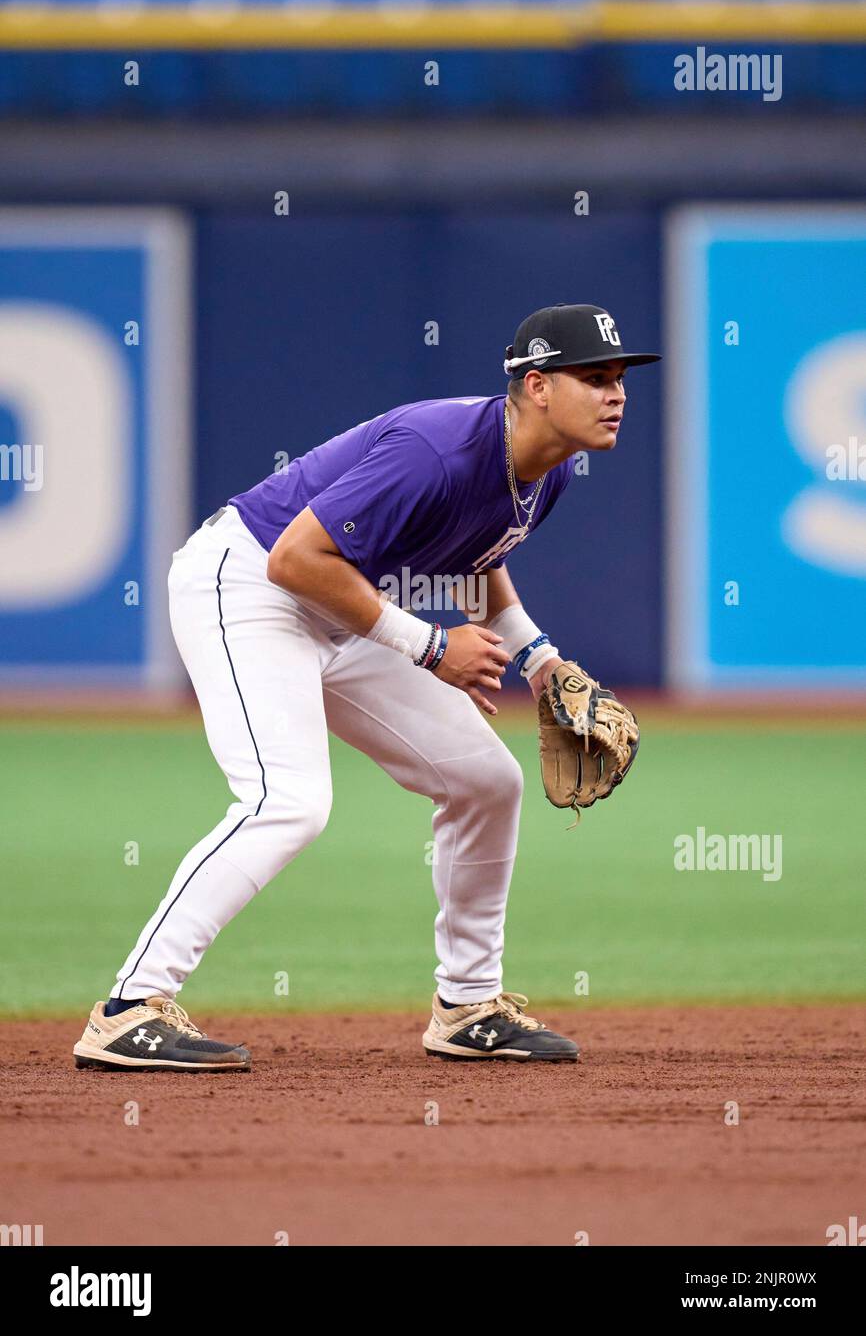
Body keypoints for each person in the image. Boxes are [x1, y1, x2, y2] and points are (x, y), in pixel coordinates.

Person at [72, 304, 659, 1071]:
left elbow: (473, 555)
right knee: (288, 801)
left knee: (487, 780)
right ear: (538, 386)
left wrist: (539, 658)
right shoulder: (437, 449)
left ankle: (468, 1006)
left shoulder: (543, 477)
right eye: (595, 377)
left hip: (336, 606)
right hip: (248, 583)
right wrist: (428, 647)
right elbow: (294, 559)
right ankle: (128, 1009)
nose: (616, 394)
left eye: (619, 378)